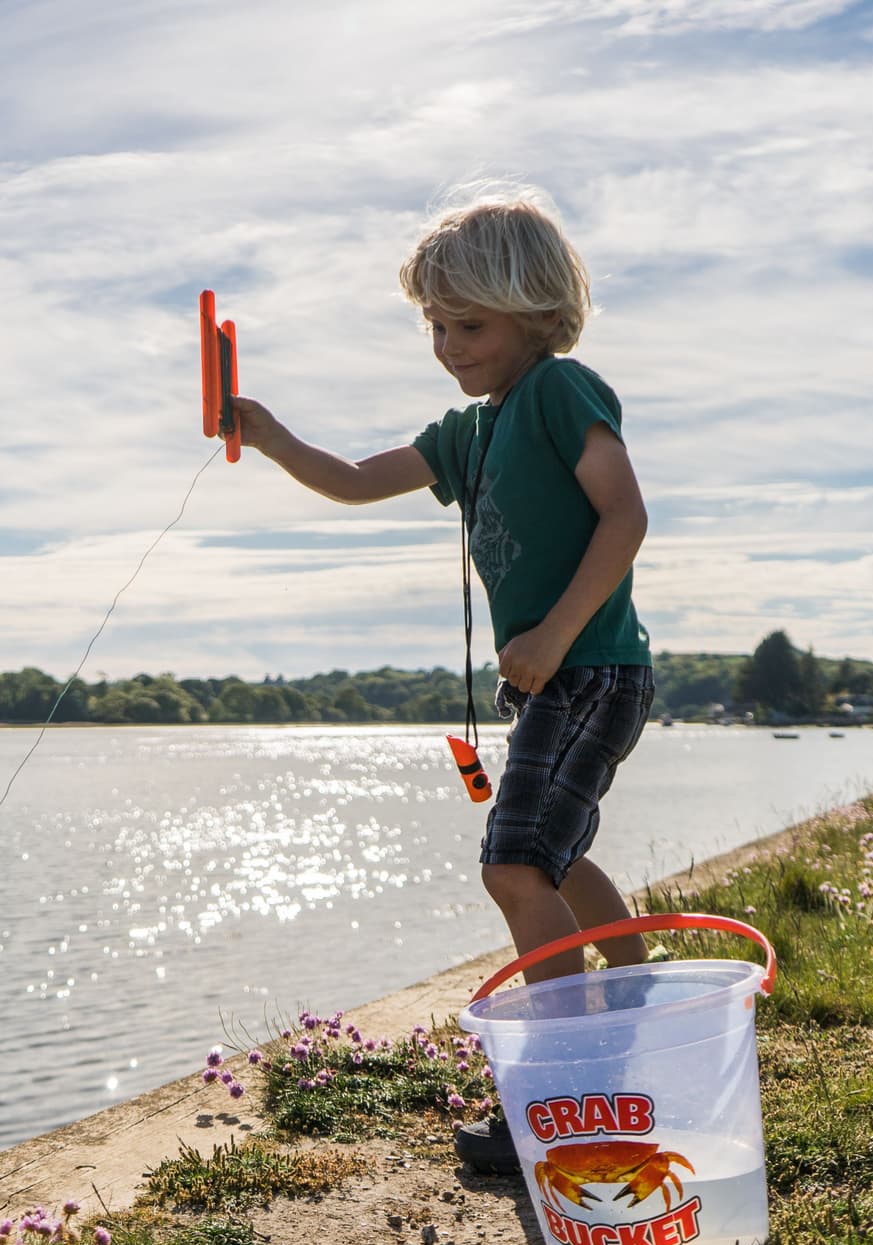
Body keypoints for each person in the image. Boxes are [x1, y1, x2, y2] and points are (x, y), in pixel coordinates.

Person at [227, 186, 655, 1172]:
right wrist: (269, 432)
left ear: (537, 314)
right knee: (549, 859)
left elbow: (623, 517)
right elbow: (350, 479)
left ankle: (558, 1095)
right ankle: (632, 1006)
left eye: (467, 324)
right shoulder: (465, 434)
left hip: (590, 667)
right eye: (434, 325)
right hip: (557, 678)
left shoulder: (559, 391)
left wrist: (550, 635)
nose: (447, 344)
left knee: (511, 867)